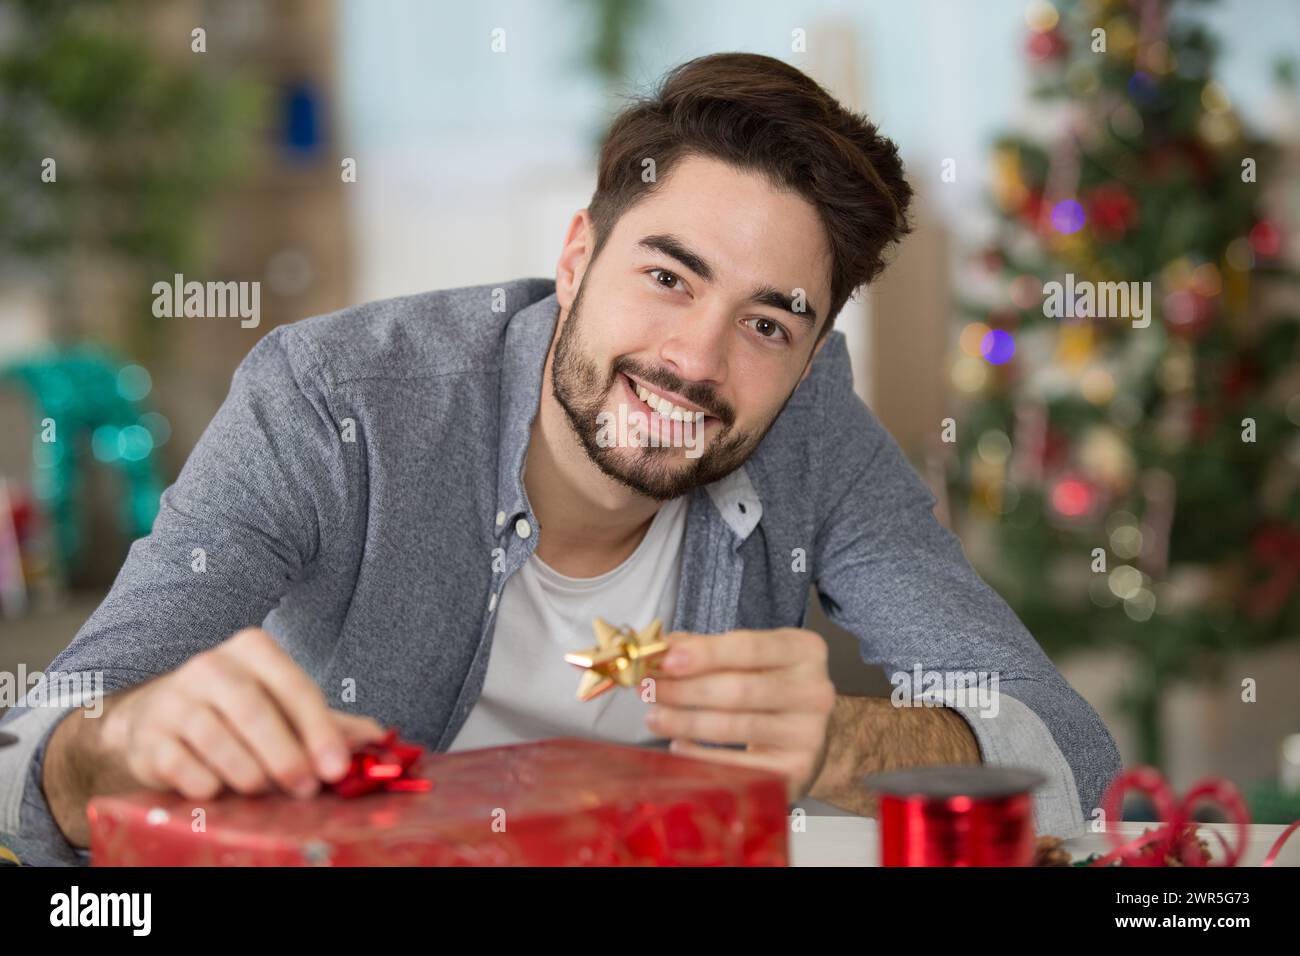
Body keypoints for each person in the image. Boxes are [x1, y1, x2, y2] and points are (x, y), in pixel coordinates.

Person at [0, 52, 1120, 865]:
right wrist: (124, 739)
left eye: (768, 322)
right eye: (667, 276)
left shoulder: (815, 429)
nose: (694, 359)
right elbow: (41, 751)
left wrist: (845, 737)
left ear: (813, 351)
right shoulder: (331, 398)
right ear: (577, 254)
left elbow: (1073, 753)